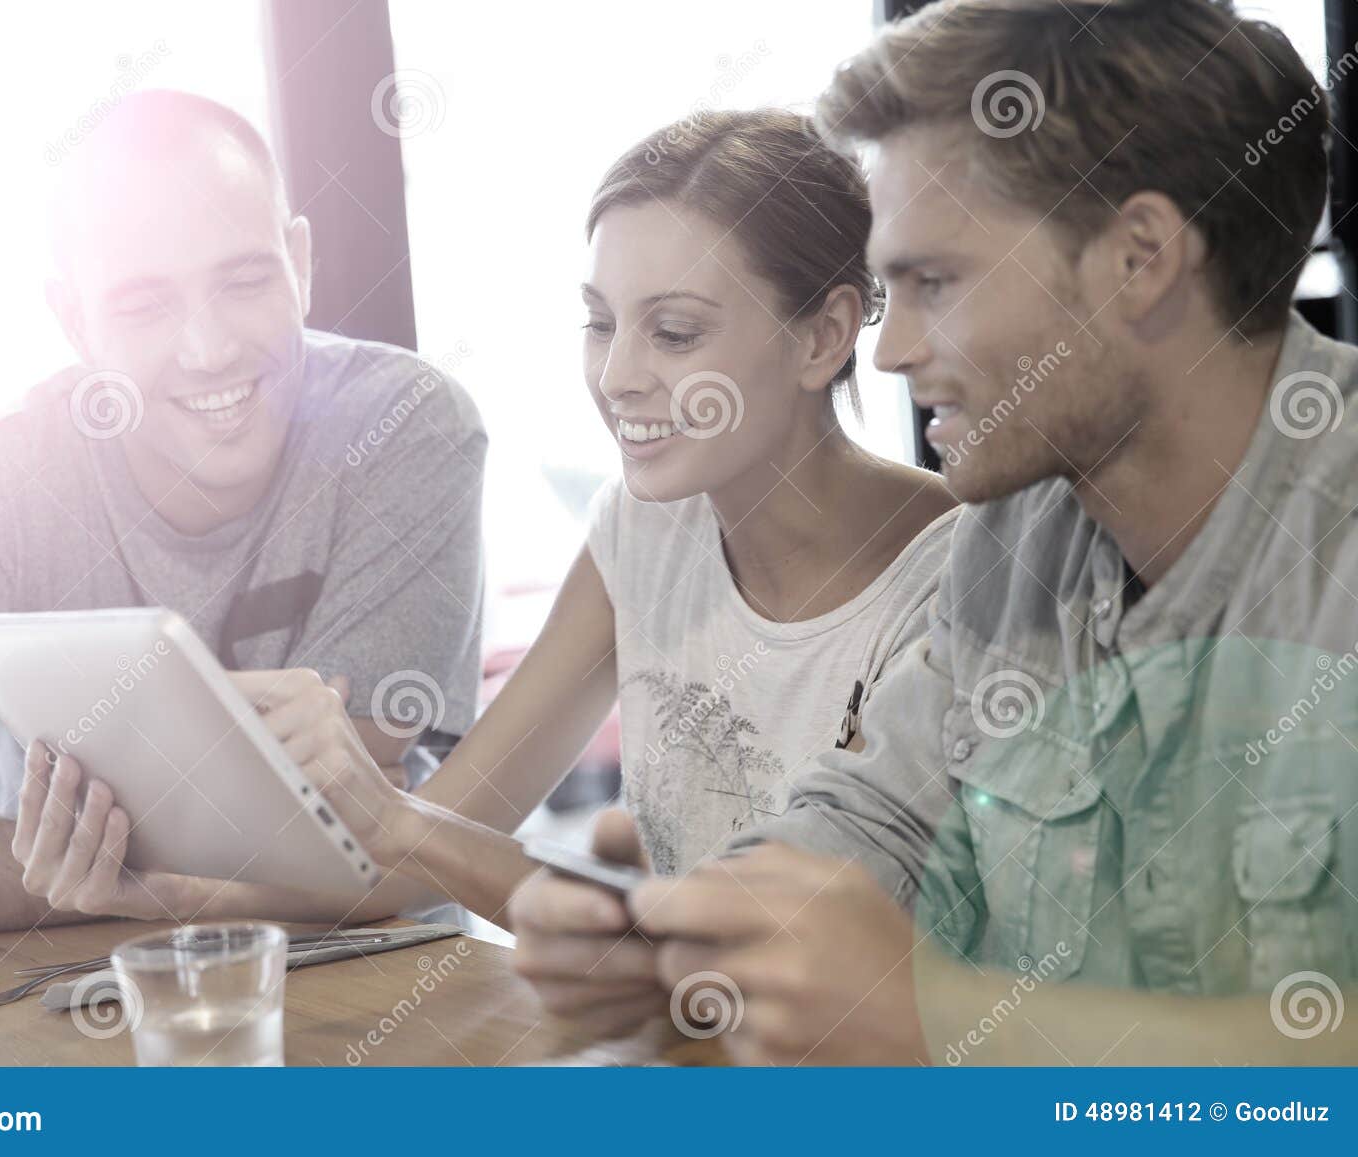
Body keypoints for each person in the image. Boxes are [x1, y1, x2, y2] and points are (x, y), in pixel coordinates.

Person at [513, 0, 1358, 1065]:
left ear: (1139, 259)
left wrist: (951, 1024)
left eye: (936, 282)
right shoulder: (1016, 534)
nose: (890, 346)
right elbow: (879, 822)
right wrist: (685, 937)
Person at [9, 108, 957, 957]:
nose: (617, 376)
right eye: (600, 323)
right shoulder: (643, 533)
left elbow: (759, 946)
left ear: (824, 335)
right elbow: (424, 854)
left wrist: (393, 817)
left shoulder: (958, 579)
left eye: (673, 332)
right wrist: (161, 891)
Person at [0, 90, 486, 943]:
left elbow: (335, 834)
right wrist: (112, 882)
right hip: (75, 991)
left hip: (372, 987)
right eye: (145, 305)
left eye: (245, 280)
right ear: (75, 320)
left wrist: (93, 865)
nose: (209, 348)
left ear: (299, 263)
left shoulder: (402, 427)